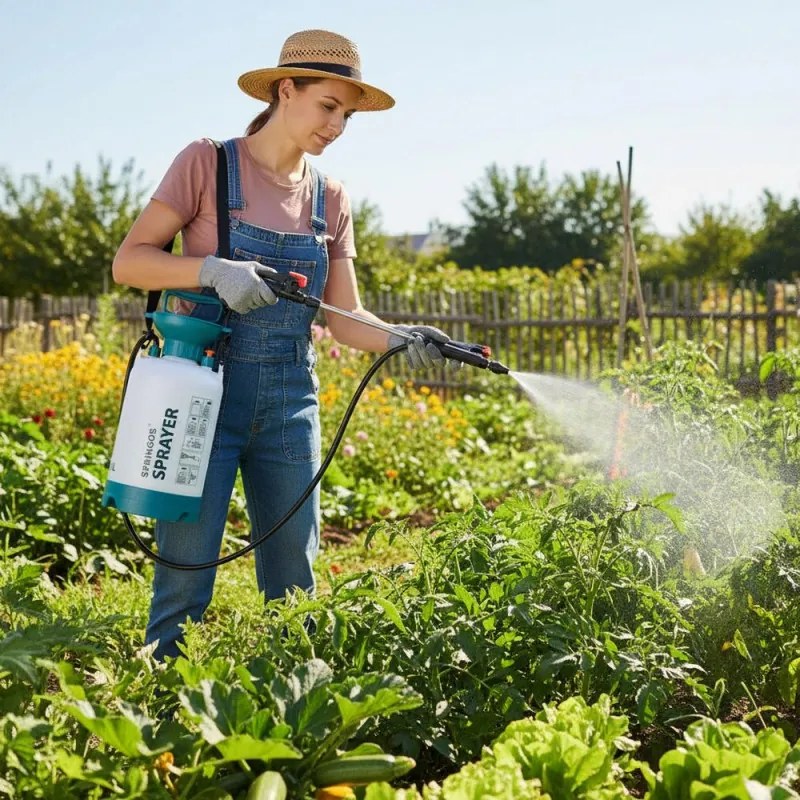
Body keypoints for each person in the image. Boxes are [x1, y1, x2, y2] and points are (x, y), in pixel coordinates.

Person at [112, 28, 453, 660]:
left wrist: (402, 338)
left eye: (347, 116)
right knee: (184, 576)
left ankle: (293, 696)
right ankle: (161, 696)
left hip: (290, 400)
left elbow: (345, 318)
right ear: (286, 90)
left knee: (295, 579)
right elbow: (129, 262)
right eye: (328, 106)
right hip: (201, 391)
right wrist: (210, 270)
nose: (337, 126)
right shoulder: (207, 164)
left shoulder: (331, 198)